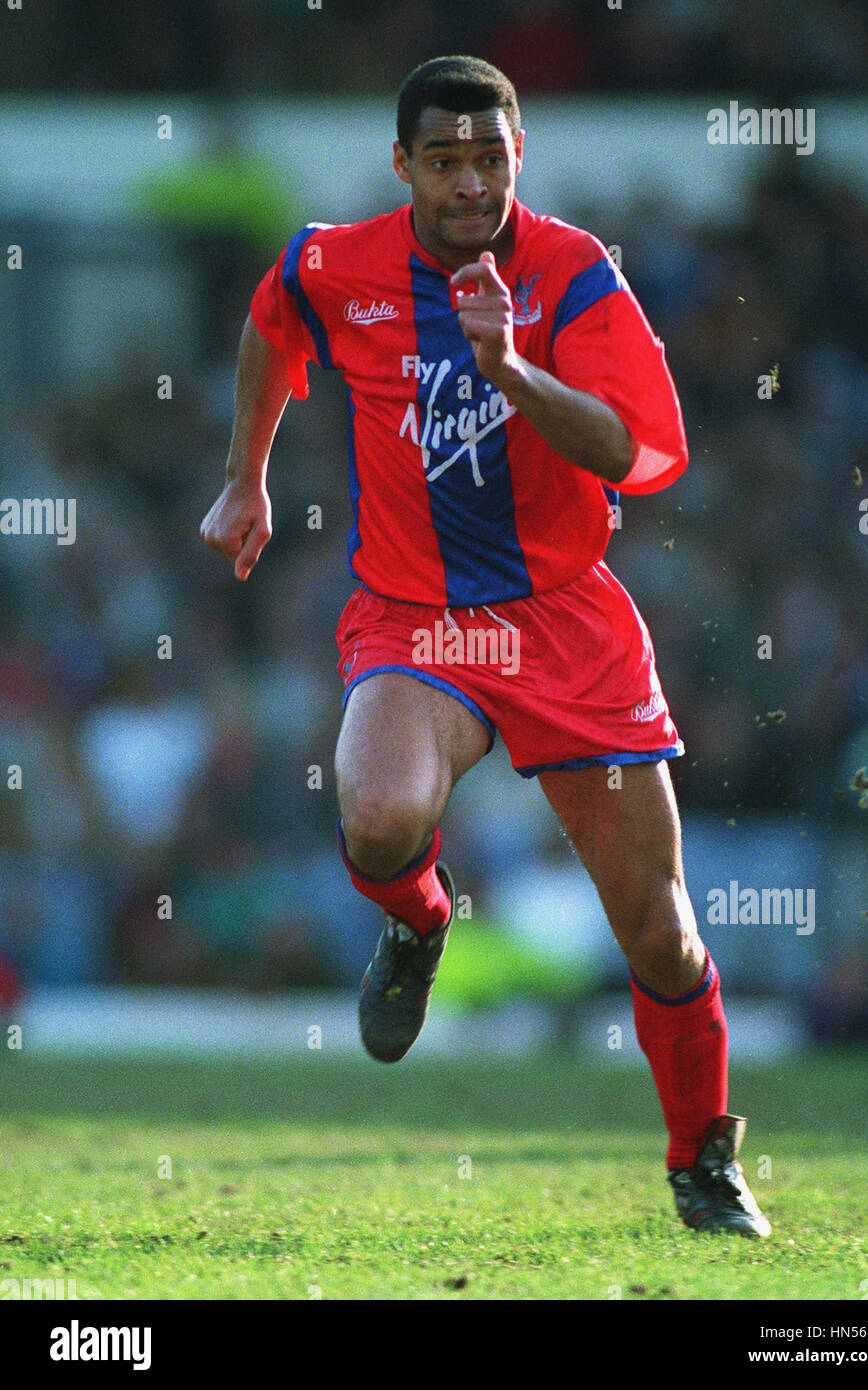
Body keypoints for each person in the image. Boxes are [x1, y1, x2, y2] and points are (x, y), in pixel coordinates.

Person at [200, 55, 770, 1238]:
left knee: (658, 926)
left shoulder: (574, 275)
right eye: (446, 159)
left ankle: (702, 1159)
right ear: (402, 164)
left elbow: (641, 456)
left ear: (522, 157)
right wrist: (245, 478)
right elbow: (271, 323)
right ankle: (419, 920)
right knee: (376, 814)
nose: (470, 181)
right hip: (415, 618)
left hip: (565, 619)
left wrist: (509, 367)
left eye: (491, 157)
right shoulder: (333, 264)